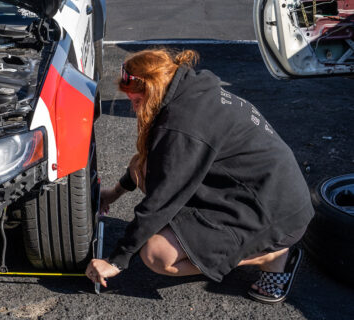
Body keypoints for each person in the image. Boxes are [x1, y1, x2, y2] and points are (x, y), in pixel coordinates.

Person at [85, 49, 313, 304]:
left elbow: (161, 199)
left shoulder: (183, 125)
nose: (133, 108)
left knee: (157, 254)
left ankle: (272, 256)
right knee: (146, 167)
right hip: (254, 193)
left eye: (137, 101)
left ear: (154, 90)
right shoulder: (189, 90)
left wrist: (117, 260)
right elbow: (151, 165)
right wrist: (114, 193)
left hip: (277, 214)